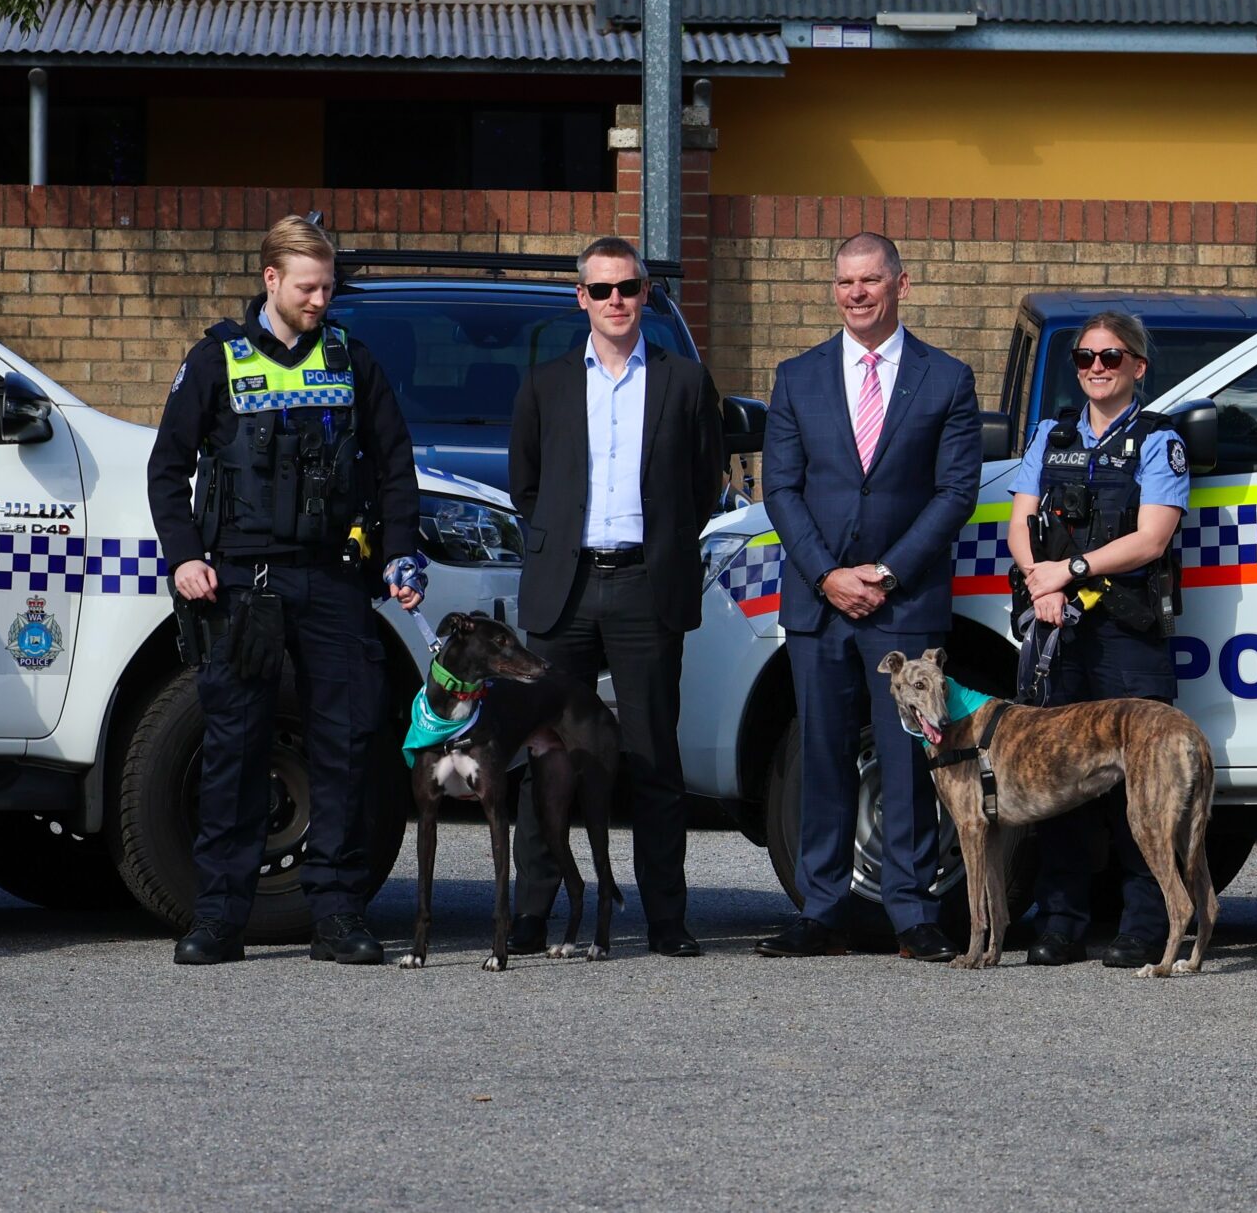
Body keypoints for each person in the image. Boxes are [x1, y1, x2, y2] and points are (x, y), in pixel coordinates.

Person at [145, 215, 424, 966]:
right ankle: (219, 916)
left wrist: (402, 557)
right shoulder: (216, 361)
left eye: (328, 286)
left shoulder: (352, 360)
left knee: (347, 745)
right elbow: (166, 469)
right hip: (243, 584)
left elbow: (396, 468)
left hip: (334, 578)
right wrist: (185, 557)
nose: (320, 299)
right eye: (308, 286)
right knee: (235, 747)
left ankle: (336, 915)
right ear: (270, 280)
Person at [753, 232, 980, 961]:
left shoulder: (947, 379)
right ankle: (821, 909)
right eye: (845, 281)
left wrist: (885, 573)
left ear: (901, 285)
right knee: (821, 753)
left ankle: (914, 913)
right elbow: (780, 489)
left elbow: (956, 492)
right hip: (819, 603)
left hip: (904, 603)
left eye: (870, 280)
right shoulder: (796, 376)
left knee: (907, 756)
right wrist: (827, 575)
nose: (856, 293)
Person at [504, 236, 725, 958]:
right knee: (548, 752)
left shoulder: (686, 382)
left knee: (654, 753)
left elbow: (701, 484)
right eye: (601, 290)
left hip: (644, 582)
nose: (616, 301)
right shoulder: (546, 383)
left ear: (645, 293)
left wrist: (654, 545)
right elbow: (527, 485)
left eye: (628, 287)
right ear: (581, 299)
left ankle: (666, 918)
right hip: (564, 588)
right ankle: (534, 911)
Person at [1004, 311, 1191, 968]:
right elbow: (1020, 521)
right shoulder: (1050, 435)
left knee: (1142, 785)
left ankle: (1143, 924)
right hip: (1059, 631)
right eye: (1085, 357)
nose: (1095, 369)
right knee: (1058, 781)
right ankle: (1061, 921)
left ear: (1137, 366)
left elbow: (1152, 538)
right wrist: (1040, 580)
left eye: (1110, 358)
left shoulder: (1159, 441)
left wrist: (1071, 569)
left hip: (1126, 633)